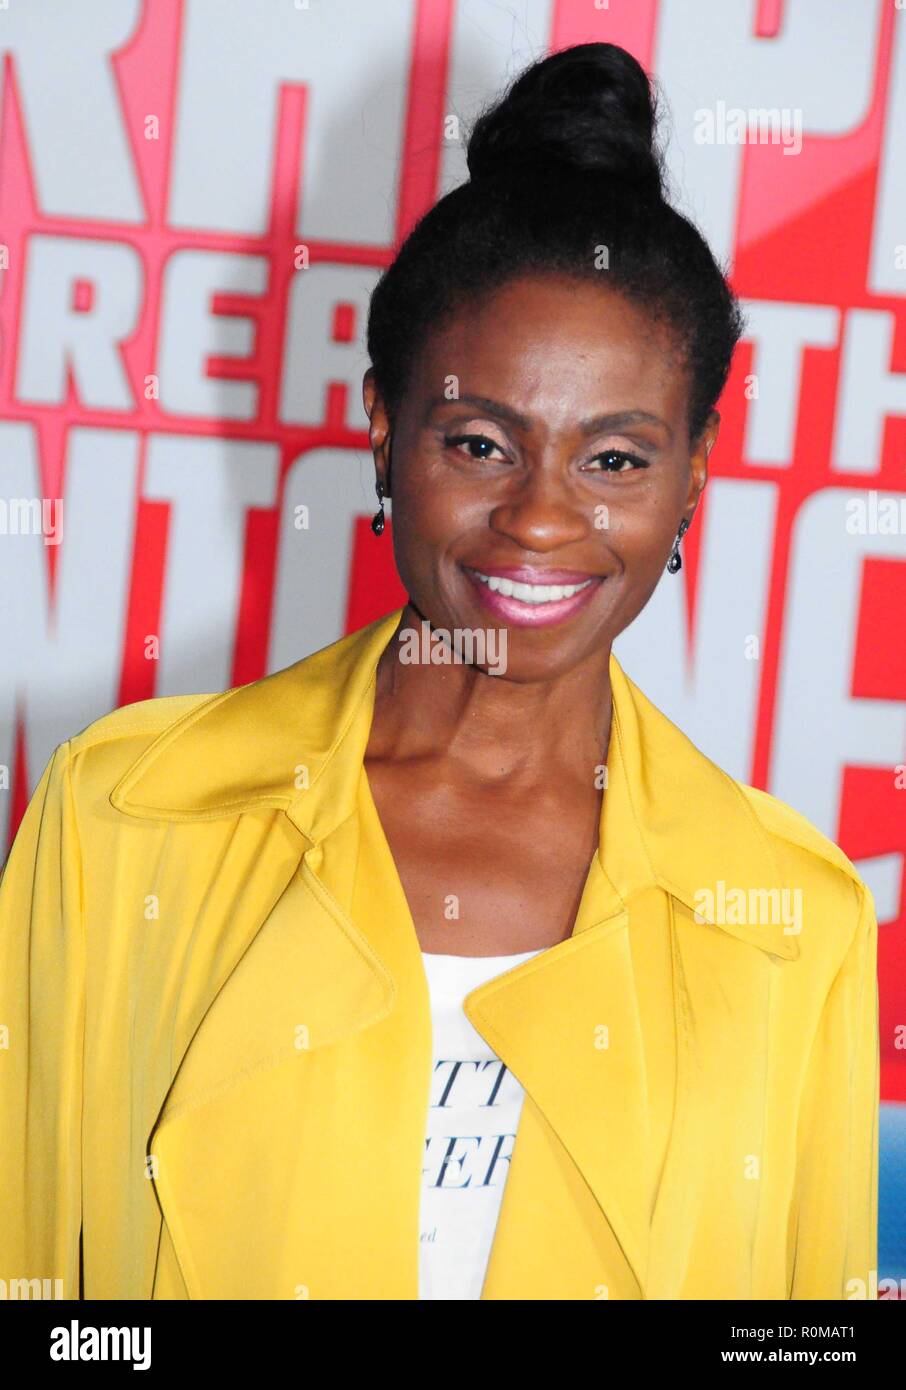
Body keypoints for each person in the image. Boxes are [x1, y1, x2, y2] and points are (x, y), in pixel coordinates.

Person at [0, 43, 878, 1301]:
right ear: (380, 424)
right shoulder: (122, 818)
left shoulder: (794, 922)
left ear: (695, 473)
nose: (538, 520)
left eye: (616, 461)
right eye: (480, 442)